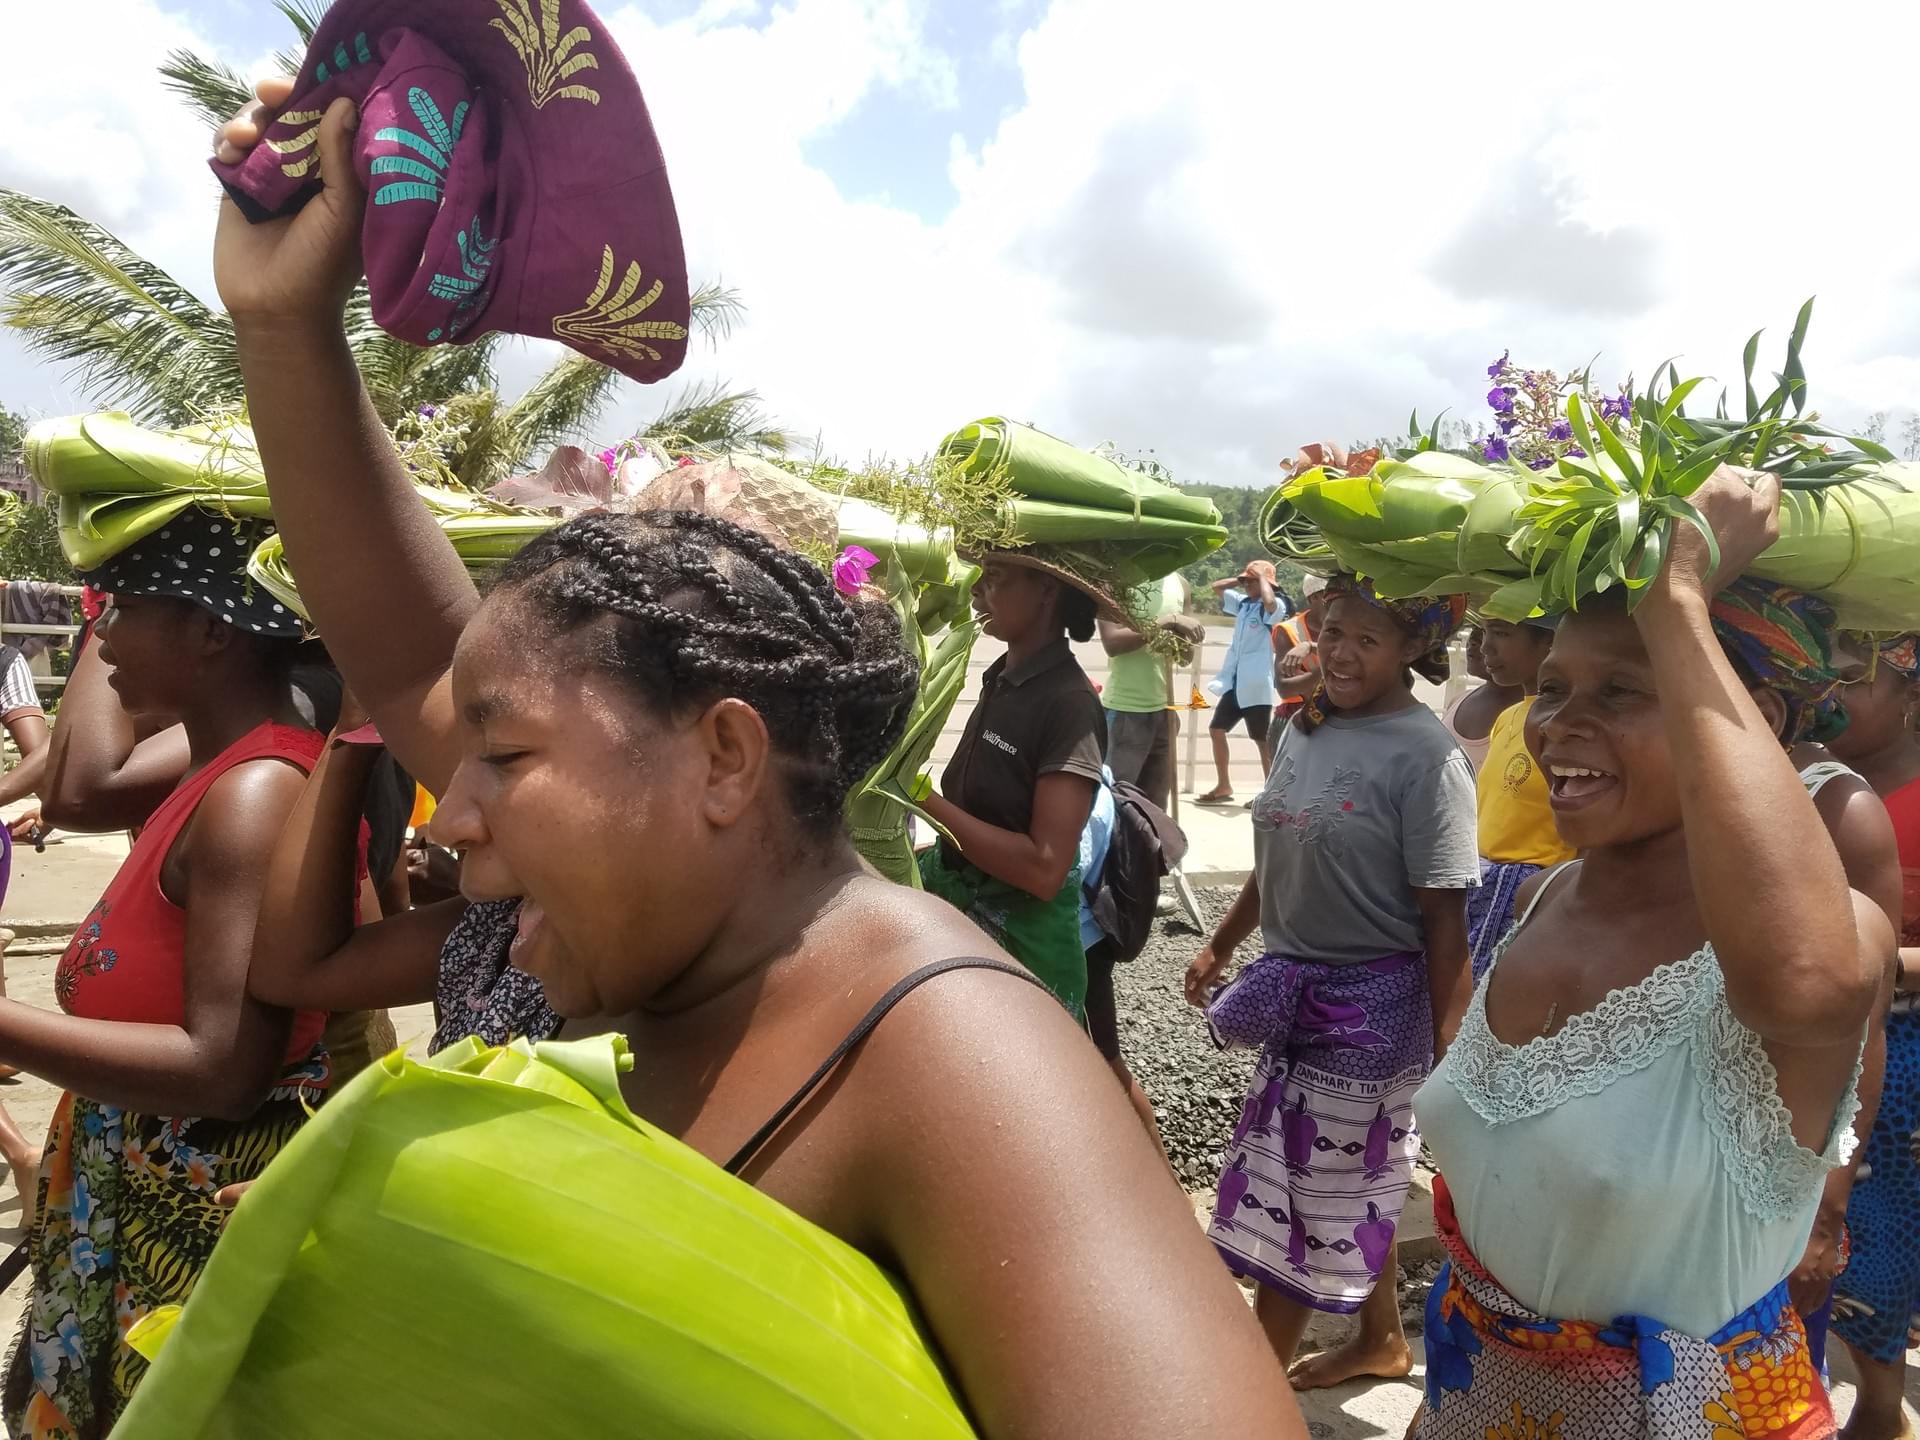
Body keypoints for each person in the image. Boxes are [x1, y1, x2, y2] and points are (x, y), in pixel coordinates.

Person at [210, 84, 1309, 1439]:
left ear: (724, 756)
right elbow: (403, 653)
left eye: (502, 757)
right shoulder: (659, 933)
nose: (457, 823)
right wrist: (281, 320)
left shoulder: (949, 1052)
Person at [1411, 468, 1883, 1439]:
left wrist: (1677, 597)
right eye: (1552, 688)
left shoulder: (1833, 937)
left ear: (1758, 723)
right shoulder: (1545, 896)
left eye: (1625, 689)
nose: (1558, 726)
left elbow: (1803, 988)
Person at [0, 512, 365, 1438]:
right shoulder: (217, 766)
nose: (105, 631)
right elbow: (80, 782)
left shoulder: (255, 792)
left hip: (190, 1202)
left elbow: (227, 1068)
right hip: (130, 1180)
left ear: (212, 630)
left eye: (124, 606)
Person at [1184, 575, 1476, 1391]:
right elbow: (1280, 844)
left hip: (1371, 1014)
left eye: (1368, 640)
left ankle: (1246, 1395)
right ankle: (1380, 1340)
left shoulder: (1428, 758)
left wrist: (1458, 1055)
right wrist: (1221, 944)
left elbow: (1445, 920)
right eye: (1334, 632)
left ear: (1412, 649)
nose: (1341, 654)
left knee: (1304, 1201)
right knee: (1328, 1181)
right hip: (1295, 990)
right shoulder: (1306, 725)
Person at [1708, 581, 1901, 1376]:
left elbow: (1864, 1032)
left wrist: (1827, 1211)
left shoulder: (1838, 810)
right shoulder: (1667, 795)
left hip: (1774, 1172)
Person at [917, 552, 1108, 1017]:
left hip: (1022, 945)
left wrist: (920, 797)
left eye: (996, 577)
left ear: (1047, 591)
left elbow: (1044, 869)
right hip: (964, 908)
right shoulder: (1000, 675)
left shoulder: (1069, 703)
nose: (977, 589)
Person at [1827, 634, 1920, 1440]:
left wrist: (1886, 956)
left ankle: (1882, 1410)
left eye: (1855, 680)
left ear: (1909, 699)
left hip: (1901, 1035)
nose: (1834, 692)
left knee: (1878, 1219)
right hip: (1827, 1018)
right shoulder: (1814, 785)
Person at [1466, 616, 1574, 979]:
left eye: (1501, 633)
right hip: (1481, 881)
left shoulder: (1564, 722)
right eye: (1483, 633)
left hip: (1527, 885)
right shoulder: (1509, 716)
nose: (1485, 647)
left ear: (1548, 644)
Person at [1078, 768, 1165, 1147]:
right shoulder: (1097, 773)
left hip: (1082, 947)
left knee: (1107, 1062)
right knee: (1105, 1060)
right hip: (1089, 938)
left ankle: (1163, 1182)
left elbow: (1062, 870)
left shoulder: (1082, 792)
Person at [1100, 572, 1202, 811]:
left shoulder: (1181, 585)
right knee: (1116, 802)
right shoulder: (1115, 580)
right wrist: (1167, 621)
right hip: (1125, 711)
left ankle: (1154, 849)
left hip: (1164, 711)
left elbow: (1186, 657)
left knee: (1155, 807)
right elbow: (1112, 643)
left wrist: (1184, 637)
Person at [1197, 560, 1285, 804]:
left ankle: (1270, 792)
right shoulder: (1245, 605)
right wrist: (1244, 578)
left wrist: (1263, 579)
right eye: (1246, 582)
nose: (1246, 586)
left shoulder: (1276, 606)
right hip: (1235, 683)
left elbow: (1269, 603)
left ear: (1265, 583)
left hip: (1256, 685)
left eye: (1251, 582)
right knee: (1216, 730)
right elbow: (1217, 587)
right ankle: (1224, 785)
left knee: (1261, 740)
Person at [1440, 626, 1522, 775]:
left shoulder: (1533, 719)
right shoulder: (1458, 701)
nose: (1476, 642)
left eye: (1500, 633)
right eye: (1482, 630)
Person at [1272, 575, 1330, 728]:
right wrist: (1328, 669)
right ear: (1313, 598)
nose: (1335, 601)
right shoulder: (1289, 631)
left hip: (1339, 713)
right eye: (1328, 594)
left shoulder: (1348, 626)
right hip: (1296, 715)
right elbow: (1284, 688)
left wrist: (1310, 646)